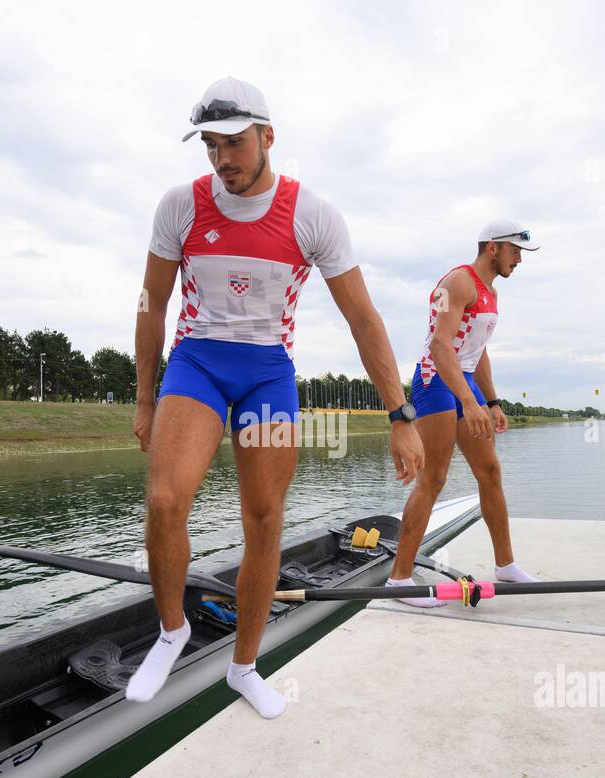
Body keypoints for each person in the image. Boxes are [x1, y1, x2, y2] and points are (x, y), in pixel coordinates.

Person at [129, 77, 425, 716]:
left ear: (268, 136)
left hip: (266, 373)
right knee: (163, 499)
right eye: (210, 145)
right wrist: (145, 398)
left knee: (264, 519)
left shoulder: (312, 216)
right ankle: (172, 630)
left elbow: (364, 319)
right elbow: (152, 306)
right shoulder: (180, 207)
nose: (222, 159)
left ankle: (243, 667)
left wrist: (399, 413)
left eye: (234, 143)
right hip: (197, 364)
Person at [386, 220, 541, 606]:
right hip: (435, 378)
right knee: (433, 478)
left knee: (490, 471)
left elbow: (478, 349)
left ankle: (505, 565)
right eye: (515, 251)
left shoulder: (490, 293)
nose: (519, 260)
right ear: (493, 247)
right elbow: (441, 347)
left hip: (465, 379)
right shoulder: (456, 282)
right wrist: (468, 403)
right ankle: (399, 580)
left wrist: (491, 401)